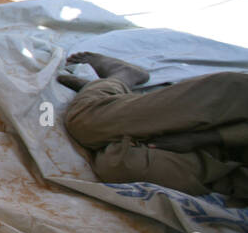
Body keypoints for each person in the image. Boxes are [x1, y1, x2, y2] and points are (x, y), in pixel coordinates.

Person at [58, 52, 248, 205]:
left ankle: (107, 97)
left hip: (235, 167)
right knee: (87, 123)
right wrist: (203, 138)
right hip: (235, 108)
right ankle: (122, 77)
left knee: (119, 164)